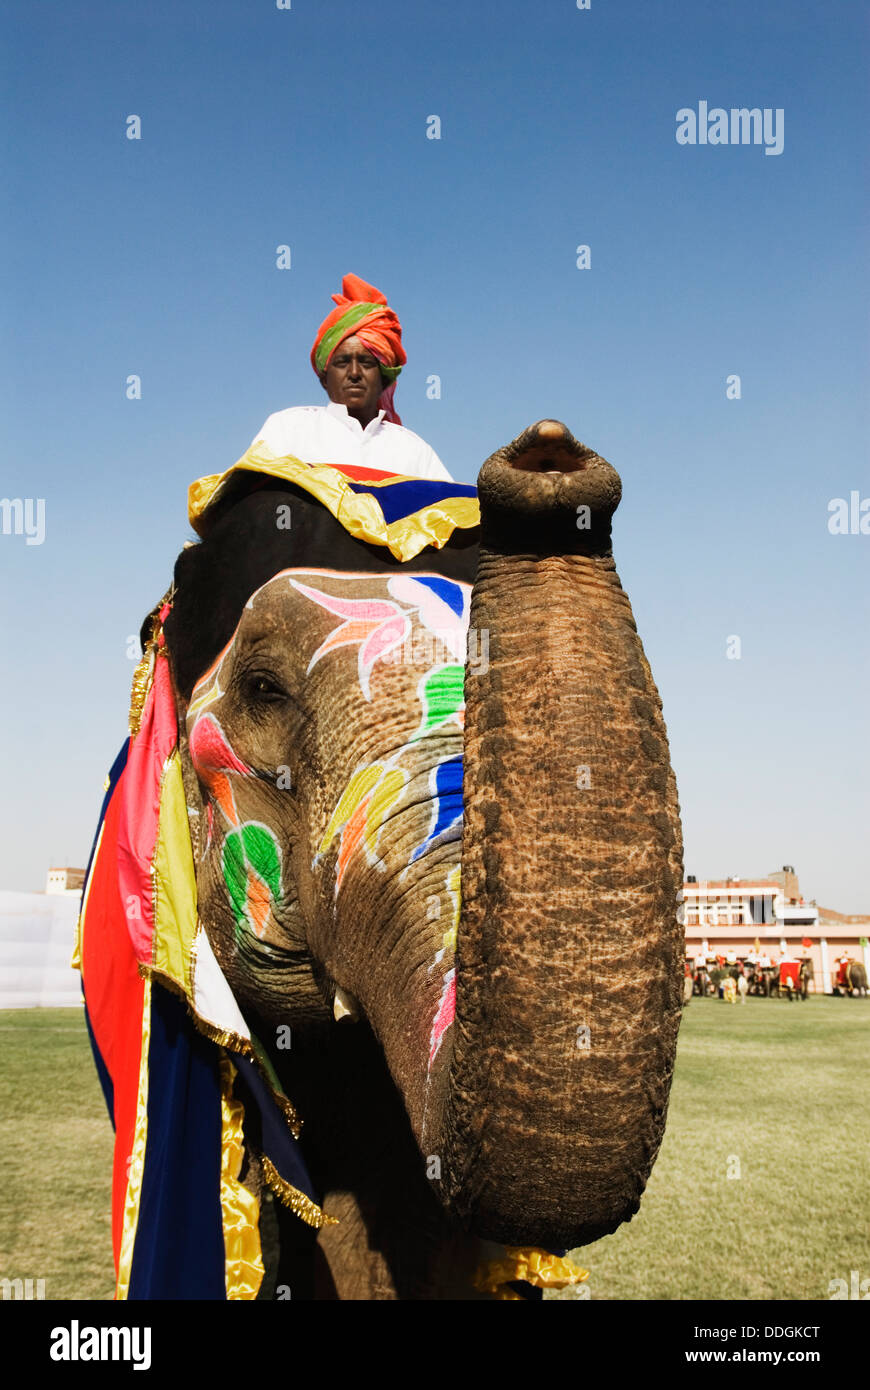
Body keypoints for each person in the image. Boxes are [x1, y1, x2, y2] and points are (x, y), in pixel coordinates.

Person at [246, 272, 453, 482]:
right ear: (324, 378)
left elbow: (453, 510)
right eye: (342, 363)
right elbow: (244, 500)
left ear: (384, 378)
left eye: (366, 363)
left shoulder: (414, 452)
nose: (354, 373)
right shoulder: (289, 430)